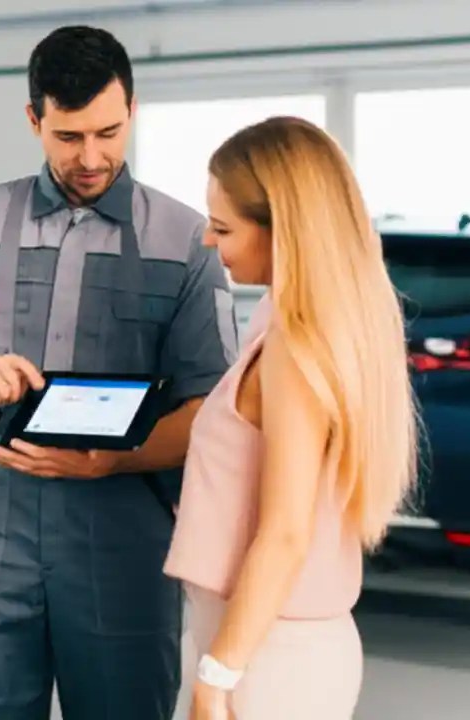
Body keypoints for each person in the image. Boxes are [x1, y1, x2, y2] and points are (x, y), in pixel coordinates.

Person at [0, 25, 239, 720]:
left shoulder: (186, 242)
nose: (91, 157)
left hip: (125, 533)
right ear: (33, 119)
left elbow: (211, 414)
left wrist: (112, 462)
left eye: (109, 133)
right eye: (68, 136)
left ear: (132, 110)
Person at [163, 116, 420, 720]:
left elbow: (285, 533)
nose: (209, 241)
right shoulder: (287, 320)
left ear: (284, 230)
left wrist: (216, 676)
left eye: (224, 227)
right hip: (256, 645)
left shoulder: (294, 348)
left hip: (266, 661)